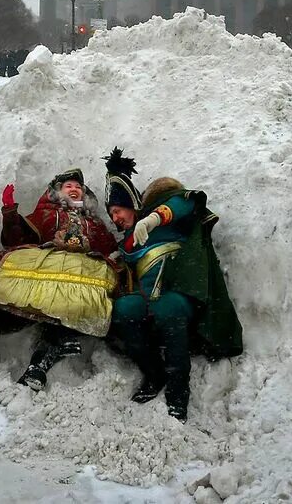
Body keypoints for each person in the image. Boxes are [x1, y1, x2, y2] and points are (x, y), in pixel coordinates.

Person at [0, 168, 122, 391]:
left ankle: (44, 358)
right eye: (69, 186)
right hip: (49, 263)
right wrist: (10, 213)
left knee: (78, 296)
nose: (74, 190)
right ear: (58, 191)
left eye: (78, 187)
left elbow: (111, 250)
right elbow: (16, 240)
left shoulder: (94, 223)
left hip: (82, 268)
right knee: (32, 288)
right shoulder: (46, 214)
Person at [109, 174, 242, 421]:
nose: (115, 219)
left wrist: (152, 219)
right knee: (123, 309)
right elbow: (122, 255)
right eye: (111, 216)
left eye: (117, 211)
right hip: (148, 298)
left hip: (179, 294)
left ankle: (178, 390)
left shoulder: (171, 214)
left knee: (167, 307)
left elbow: (182, 202)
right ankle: (153, 374)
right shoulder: (131, 239)